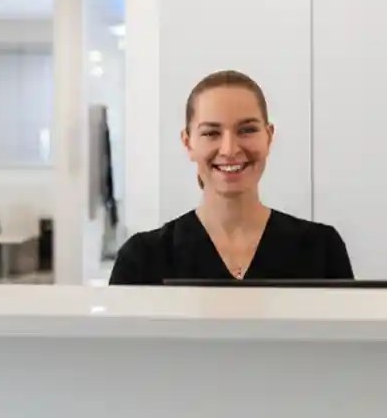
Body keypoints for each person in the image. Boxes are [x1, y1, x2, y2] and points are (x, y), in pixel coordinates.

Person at [110, 70, 353, 285]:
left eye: (247, 130)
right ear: (188, 143)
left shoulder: (321, 248)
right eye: (211, 133)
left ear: (269, 137)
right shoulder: (142, 258)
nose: (229, 149)